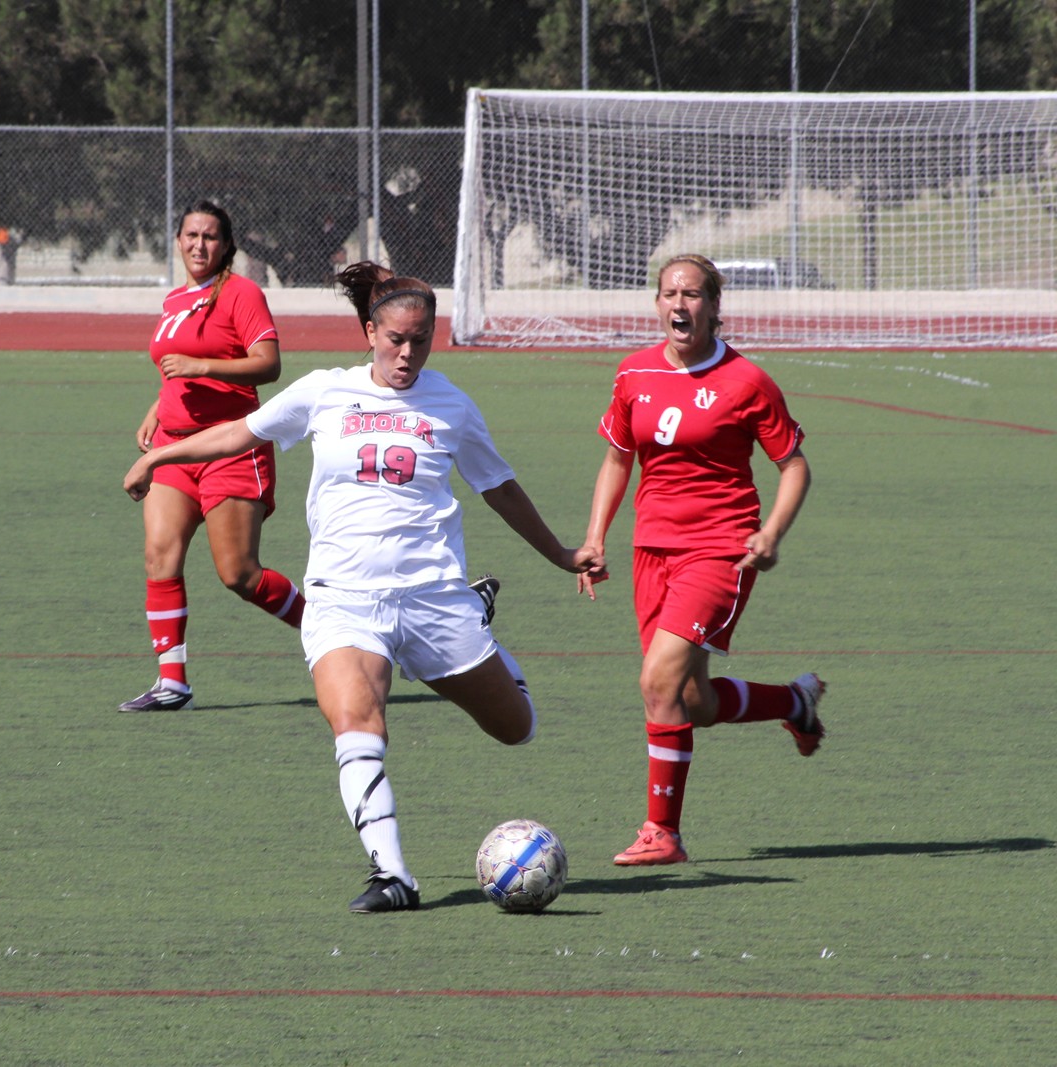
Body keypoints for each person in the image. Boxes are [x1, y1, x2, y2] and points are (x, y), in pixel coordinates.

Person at [125, 261, 602, 912]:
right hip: (342, 598)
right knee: (356, 722)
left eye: (420, 341)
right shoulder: (325, 391)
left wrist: (563, 555)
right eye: (395, 339)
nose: (407, 353)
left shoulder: (452, 405)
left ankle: (475, 612)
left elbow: (500, 489)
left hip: (432, 598)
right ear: (370, 332)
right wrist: (160, 456)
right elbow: (240, 432)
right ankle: (393, 875)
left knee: (517, 729)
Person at [577, 253, 827, 867]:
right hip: (651, 551)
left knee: (656, 683)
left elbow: (793, 466)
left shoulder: (747, 381)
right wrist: (595, 539)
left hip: (720, 550)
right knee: (691, 701)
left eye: (692, 294)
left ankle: (662, 833)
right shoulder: (633, 373)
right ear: (657, 303)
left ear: (715, 306)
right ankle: (793, 702)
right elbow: (618, 458)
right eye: (669, 294)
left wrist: (770, 533)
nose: (679, 304)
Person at [119, 200, 307, 712]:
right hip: (175, 448)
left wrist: (202, 366)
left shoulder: (241, 293)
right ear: (178, 241)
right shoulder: (174, 299)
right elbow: (172, 370)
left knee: (239, 575)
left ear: (226, 246)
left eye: (210, 237)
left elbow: (268, 365)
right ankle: (172, 683)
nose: (199, 244)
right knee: (159, 555)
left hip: (231, 447)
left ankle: (337, 631)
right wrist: (157, 408)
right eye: (191, 235)